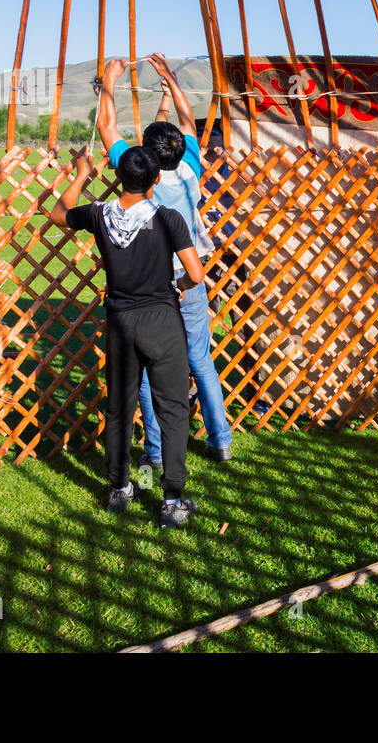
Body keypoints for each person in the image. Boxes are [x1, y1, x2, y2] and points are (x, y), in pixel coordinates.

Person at [50, 62, 204, 529]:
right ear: (154, 180)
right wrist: (174, 287)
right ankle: (173, 500)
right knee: (172, 406)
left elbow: (58, 216)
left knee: (120, 406)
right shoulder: (168, 219)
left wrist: (80, 172)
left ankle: (119, 488)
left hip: (119, 319)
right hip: (161, 318)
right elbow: (195, 275)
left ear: (119, 177)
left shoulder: (98, 215)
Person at [95, 53, 234, 467]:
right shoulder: (190, 165)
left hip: (153, 284)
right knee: (199, 359)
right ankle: (220, 440)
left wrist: (109, 80)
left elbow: (106, 126)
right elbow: (190, 124)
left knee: (148, 370)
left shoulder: (142, 177)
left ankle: (156, 453)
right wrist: (171, 80)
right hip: (191, 278)